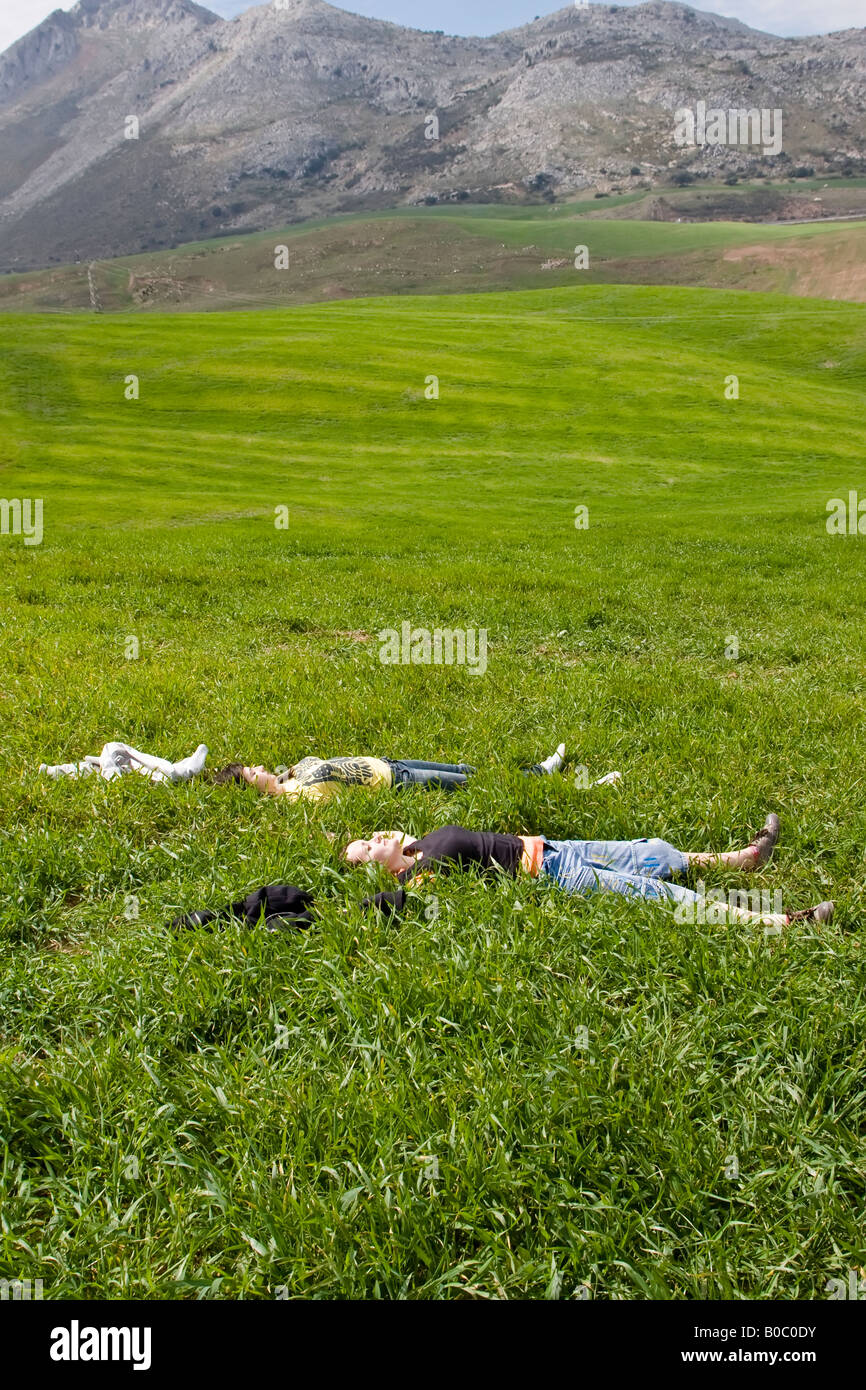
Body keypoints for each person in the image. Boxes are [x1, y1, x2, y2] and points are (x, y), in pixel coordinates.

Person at [344, 816, 835, 928]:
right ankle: (780, 922)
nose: (376, 838)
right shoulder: (420, 879)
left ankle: (742, 861)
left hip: (555, 847)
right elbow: (413, 907)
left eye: (369, 835)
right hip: (558, 877)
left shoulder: (418, 841)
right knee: (665, 898)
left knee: (656, 854)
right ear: (380, 872)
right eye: (368, 847)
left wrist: (390, 846)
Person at [214, 742, 569, 804]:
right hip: (399, 784)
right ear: (253, 791)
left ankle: (535, 772)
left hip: (391, 764)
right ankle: (543, 775)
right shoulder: (296, 800)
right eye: (251, 774)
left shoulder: (288, 776)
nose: (259, 768)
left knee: (465, 769)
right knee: (470, 785)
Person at [39, 741, 208, 784]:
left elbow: (196, 759)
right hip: (147, 771)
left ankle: (112, 775)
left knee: (111, 753)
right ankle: (53, 772)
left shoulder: (178, 773)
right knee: (99, 765)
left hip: (163, 773)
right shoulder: (182, 772)